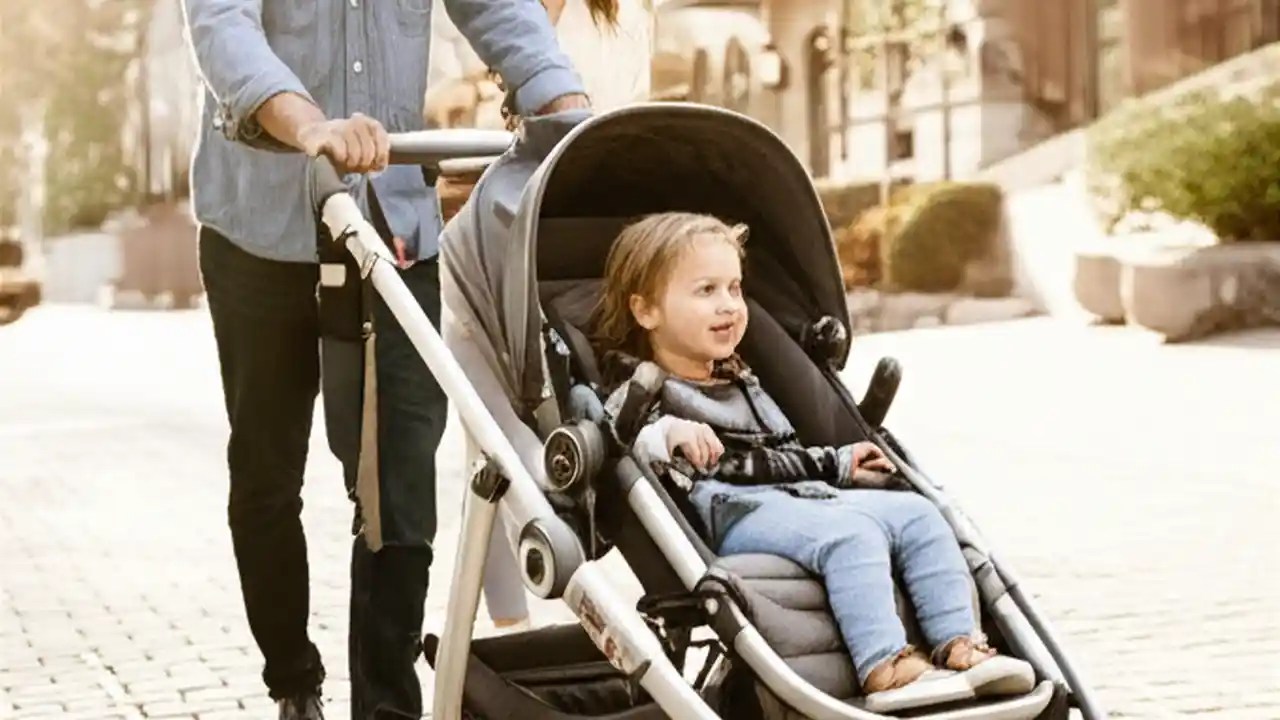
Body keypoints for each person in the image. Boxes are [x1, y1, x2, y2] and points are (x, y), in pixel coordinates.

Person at [179, 1, 589, 718]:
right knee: (267, 479)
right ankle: (294, 680)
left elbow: (499, 9)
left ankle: (386, 706)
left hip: (392, 228)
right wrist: (311, 125)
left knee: (399, 489)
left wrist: (564, 102)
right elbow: (223, 29)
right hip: (259, 234)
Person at [589, 212, 1035, 705]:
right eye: (706, 290)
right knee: (852, 535)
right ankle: (884, 665)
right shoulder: (639, 388)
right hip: (735, 515)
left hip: (798, 498)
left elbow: (784, 454)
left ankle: (960, 644)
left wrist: (840, 463)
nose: (728, 306)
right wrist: (670, 432)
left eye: (735, 289)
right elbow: (624, 437)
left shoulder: (742, 380)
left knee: (919, 515)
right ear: (646, 311)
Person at [432, 0, 654, 633]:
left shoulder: (544, 17)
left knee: (493, 443)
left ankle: (515, 625)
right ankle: (519, 621)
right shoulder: (626, 15)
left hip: (521, 227)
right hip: (575, 230)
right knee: (508, 435)